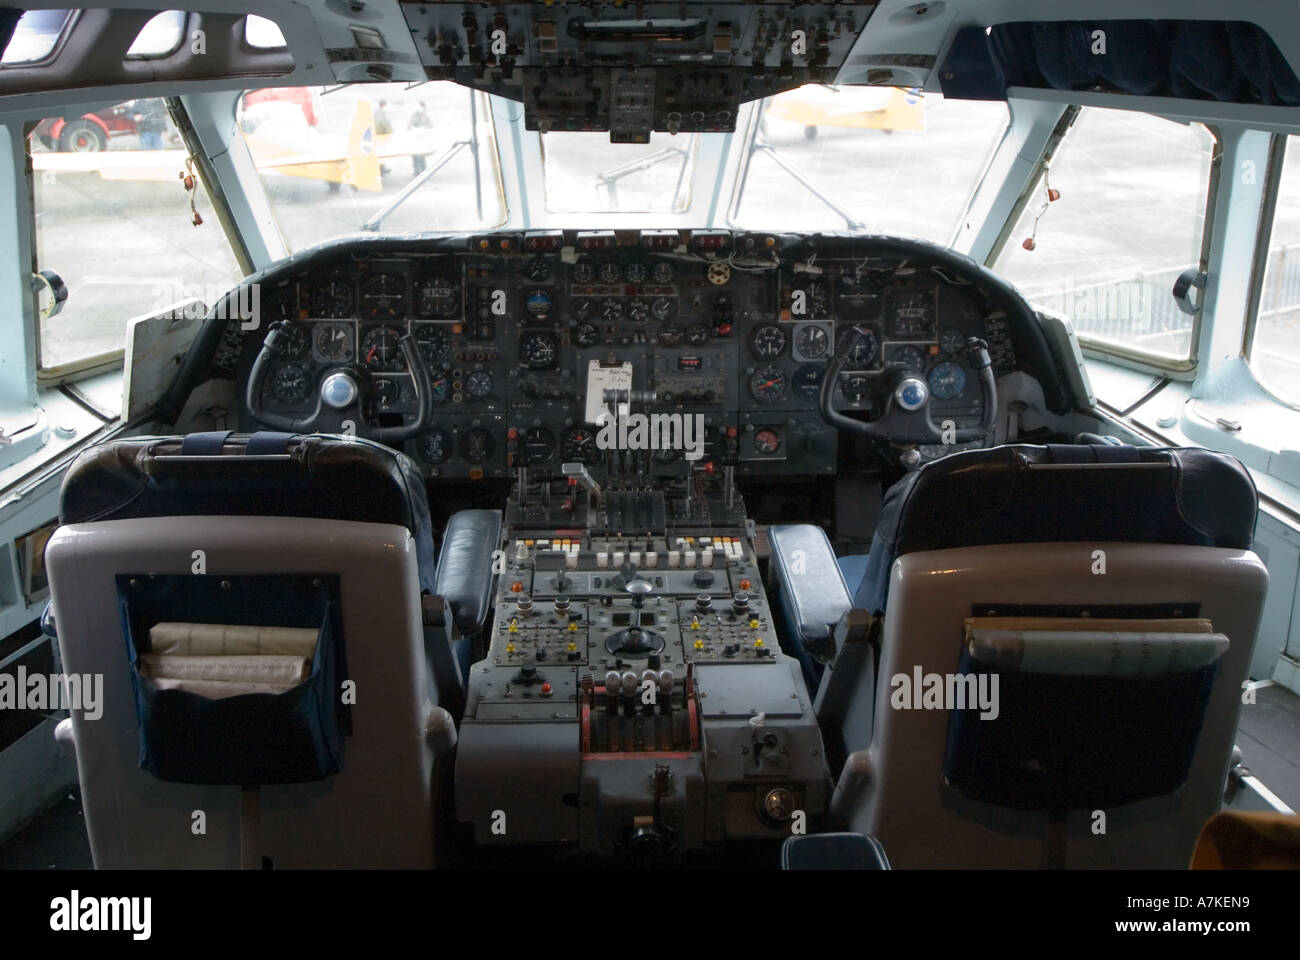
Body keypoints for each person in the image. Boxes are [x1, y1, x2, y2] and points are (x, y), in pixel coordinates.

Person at [409, 100, 431, 174]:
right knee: (415, 155)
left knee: (421, 155)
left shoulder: (426, 115)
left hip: (423, 137)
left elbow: (430, 125)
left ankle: (424, 171)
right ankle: (416, 171)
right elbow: (409, 126)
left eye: (418, 106)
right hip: (414, 137)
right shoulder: (414, 115)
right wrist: (412, 127)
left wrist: (423, 128)